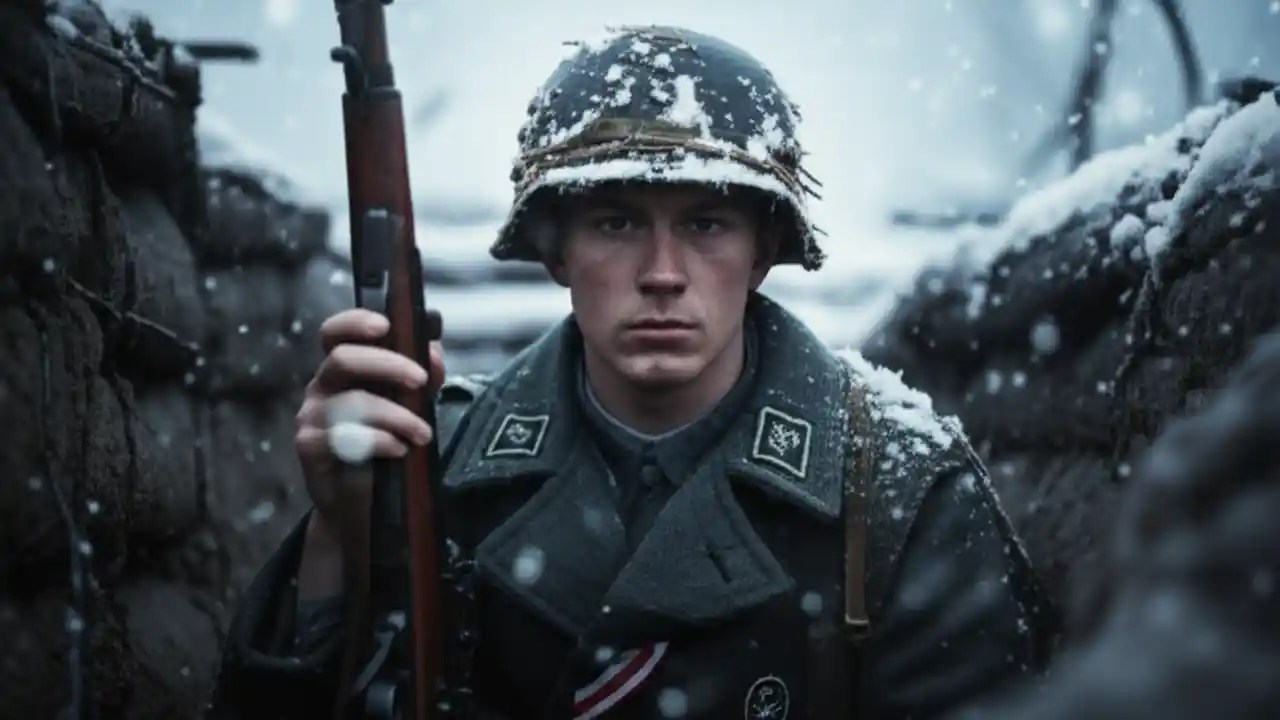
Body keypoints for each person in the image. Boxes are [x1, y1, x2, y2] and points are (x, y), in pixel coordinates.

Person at [208, 25, 1052, 720]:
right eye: (615, 223)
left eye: (707, 224)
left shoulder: (899, 489)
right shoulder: (440, 462)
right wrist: (338, 539)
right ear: (555, 251)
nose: (662, 273)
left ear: (762, 252)